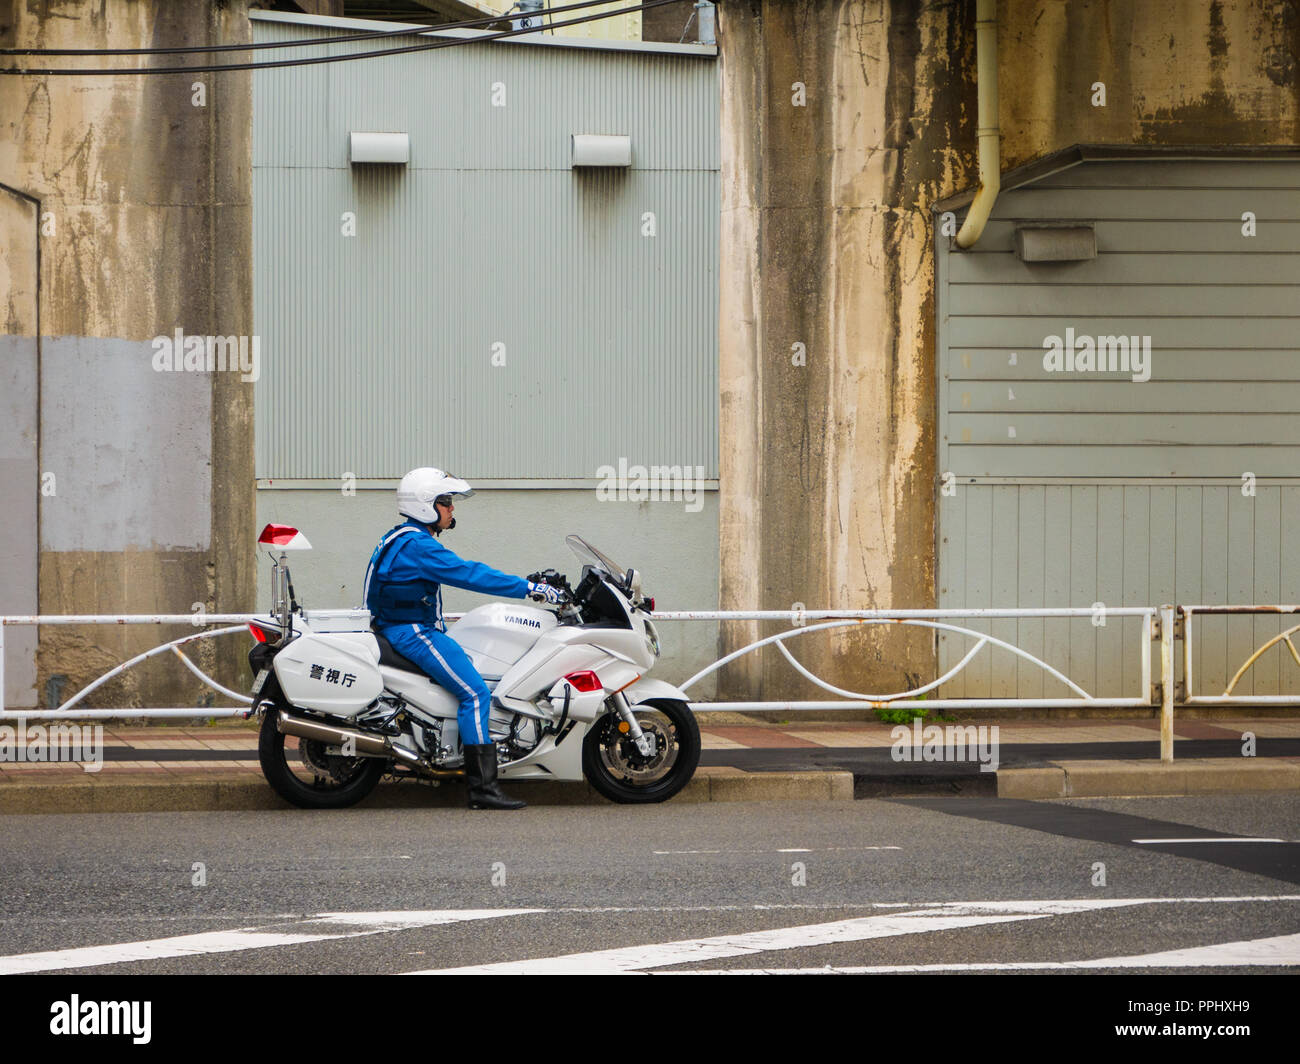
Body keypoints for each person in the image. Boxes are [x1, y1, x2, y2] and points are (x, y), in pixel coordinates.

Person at [363, 467, 565, 810]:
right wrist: (531, 588)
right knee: (475, 693)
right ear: (426, 506)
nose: (452, 509)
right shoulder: (418, 545)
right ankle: (483, 789)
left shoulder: (401, 536)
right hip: (411, 632)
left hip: (400, 627)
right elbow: (472, 574)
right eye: (445, 502)